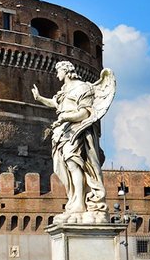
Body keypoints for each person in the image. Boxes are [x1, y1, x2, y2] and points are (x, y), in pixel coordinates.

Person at [32, 61, 115, 223]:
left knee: (74, 164)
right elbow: (56, 104)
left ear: (66, 71)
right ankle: (73, 199)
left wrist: (65, 117)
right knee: (62, 167)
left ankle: (79, 202)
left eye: (58, 71)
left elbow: (85, 113)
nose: (57, 75)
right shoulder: (64, 90)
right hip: (63, 132)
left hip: (77, 131)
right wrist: (39, 98)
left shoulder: (83, 87)